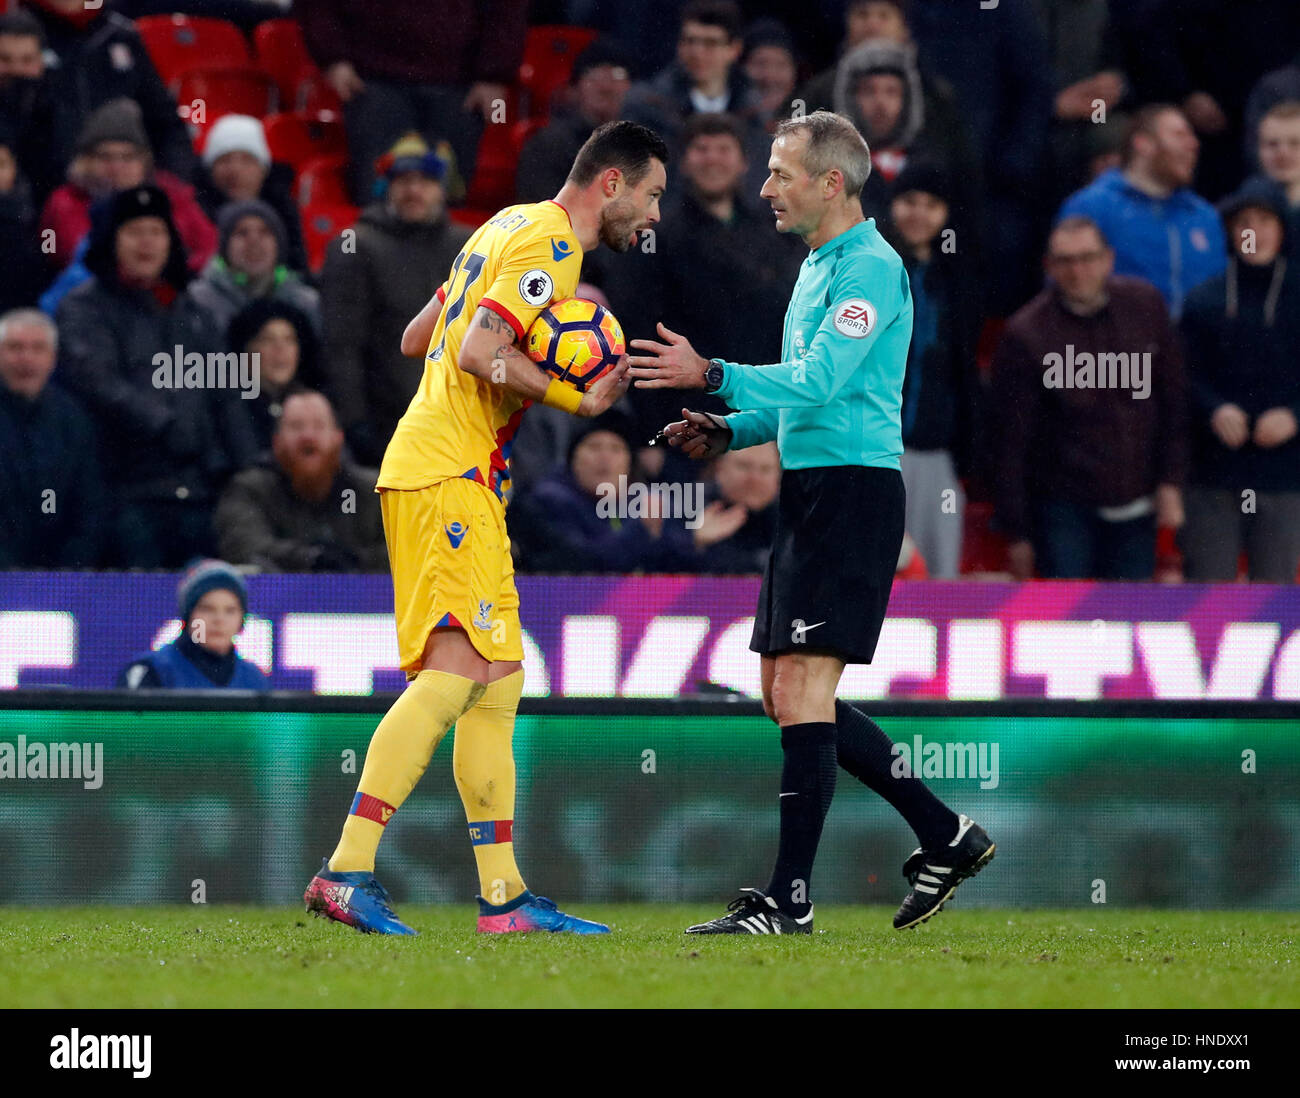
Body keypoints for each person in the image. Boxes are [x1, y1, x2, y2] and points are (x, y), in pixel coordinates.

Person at [627, 110, 993, 934]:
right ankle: (946, 834)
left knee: (800, 691)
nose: (765, 188)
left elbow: (823, 380)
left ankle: (789, 902)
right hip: (813, 488)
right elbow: (802, 401)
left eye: (780, 173)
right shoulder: (819, 266)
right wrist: (729, 429)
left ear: (832, 182)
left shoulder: (868, 269)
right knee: (783, 693)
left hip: (854, 495)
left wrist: (714, 373)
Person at [302, 121, 665, 937]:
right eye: (650, 195)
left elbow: (416, 337)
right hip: (448, 472)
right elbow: (473, 350)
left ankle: (503, 898)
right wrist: (580, 395)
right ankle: (346, 868)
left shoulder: (503, 223)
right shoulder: (552, 245)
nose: (652, 215)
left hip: (449, 470)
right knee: (456, 671)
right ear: (611, 182)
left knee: (498, 682)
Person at [55, 185, 243, 567]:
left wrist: (241, 463)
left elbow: (226, 390)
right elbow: (94, 380)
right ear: (112, 240)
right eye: (135, 232)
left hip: (198, 491)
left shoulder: (192, 312)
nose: (148, 243)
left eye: (157, 232)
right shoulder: (84, 306)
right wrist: (162, 424)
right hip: (124, 490)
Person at [990, 216, 1187, 581]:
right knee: (1066, 627)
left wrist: (1171, 481)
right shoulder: (1027, 333)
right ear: (1049, 266)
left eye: (1087, 257)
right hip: (1063, 507)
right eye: (1065, 261)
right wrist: (1017, 531)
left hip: (1137, 499)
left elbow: (1174, 402)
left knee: (1131, 622)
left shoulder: (1145, 306)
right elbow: (1010, 441)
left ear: (1108, 259)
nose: (1077, 270)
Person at [319, 133, 471, 466]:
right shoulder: (356, 246)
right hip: (385, 424)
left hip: (459, 423)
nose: (413, 190)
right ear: (388, 186)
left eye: (426, 181)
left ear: (443, 188)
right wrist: (354, 421)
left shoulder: (470, 246)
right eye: (403, 180)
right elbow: (342, 344)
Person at [1179, 181, 1300, 583]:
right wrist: (1214, 408)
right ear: (1231, 232)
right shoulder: (1203, 300)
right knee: (1207, 600)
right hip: (1214, 473)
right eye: (1244, 222)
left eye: (1265, 220)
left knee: (1277, 600)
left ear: (1282, 228)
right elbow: (1181, 375)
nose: (1255, 231)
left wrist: (1295, 416)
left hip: (1285, 475)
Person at [299, 0, 528, 204]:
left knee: (444, 197)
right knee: (377, 196)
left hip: (460, 84)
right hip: (371, 79)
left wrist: (494, 72)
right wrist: (332, 56)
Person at [884, 159, 981, 578]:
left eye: (931, 204)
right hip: (874, 451)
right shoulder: (866, 270)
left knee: (939, 575)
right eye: (908, 201)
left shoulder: (961, 280)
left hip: (937, 452)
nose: (919, 214)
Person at [1058, 104, 1225, 319]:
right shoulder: (1091, 207)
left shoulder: (1204, 216)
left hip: (1193, 349)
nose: (1193, 144)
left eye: (1192, 136)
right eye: (1179, 135)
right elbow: (1064, 292)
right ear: (1143, 144)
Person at [20, 0, 197, 184]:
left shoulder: (120, 36)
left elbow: (166, 122)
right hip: (46, 188)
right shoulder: (20, 35)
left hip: (124, 191)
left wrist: (172, 184)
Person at [39, 97, 217, 275]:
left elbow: (209, 249)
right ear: (86, 161)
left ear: (144, 162)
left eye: (127, 157)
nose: (116, 167)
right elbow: (51, 255)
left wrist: (172, 271)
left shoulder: (174, 197)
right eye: (105, 157)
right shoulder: (63, 203)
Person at [216, 390, 387, 572]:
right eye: (296, 427)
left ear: (338, 439)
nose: (308, 436)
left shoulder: (374, 491)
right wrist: (311, 559)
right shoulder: (249, 490)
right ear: (277, 441)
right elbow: (244, 547)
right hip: (278, 599)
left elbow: (405, 550)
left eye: (319, 426)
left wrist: (353, 561)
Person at [507, 409, 685, 573]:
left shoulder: (647, 502)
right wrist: (640, 529)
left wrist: (695, 543)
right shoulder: (545, 503)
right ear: (572, 459)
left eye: (616, 449)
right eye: (594, 447)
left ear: (630, 465)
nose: (605, 458)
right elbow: (581, 563)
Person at [0, 308, 105, 567]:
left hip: (59, 574)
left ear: (53, 358)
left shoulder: (73, 419)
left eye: (38, 348)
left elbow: (89, 504)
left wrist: (67, 571)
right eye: (15, 347)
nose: (26, 358)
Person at [118, 559, 269, 690]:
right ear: (188, 616)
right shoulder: (151, 671)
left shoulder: (255, 679)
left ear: (242, 619)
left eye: (230, 611)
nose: (219, 620)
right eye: (207, 609)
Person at [515, 40, 633, 204]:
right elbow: (542, 210)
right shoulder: (549, 143)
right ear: (575, 89)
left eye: (617, 76)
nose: (606, 86)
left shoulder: (644, 144)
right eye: (594, 77)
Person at [193, 114, 309, 276]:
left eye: (247, 160)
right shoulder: (195, 211)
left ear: (264, 170)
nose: (235, 170)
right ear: (210, 169)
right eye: (225, 160)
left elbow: (298, 268)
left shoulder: (284, 211)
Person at [187, 199, 320, 340]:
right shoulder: (198, 301)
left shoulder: (305, 303)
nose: (254, 241)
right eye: (241, 233)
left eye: (265, 232)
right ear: (224, 248)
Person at [225, 298, 326, 457]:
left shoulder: (316, 404)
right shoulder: (230, 410)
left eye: (289, 339)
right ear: (245, 349)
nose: (280, 350)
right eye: (267, 340)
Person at [1252, 100, 1300, 252]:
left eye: (1295, 143)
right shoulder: (1241, 212)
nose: (1283, 153)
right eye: (1272, 144)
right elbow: (1247, 257)